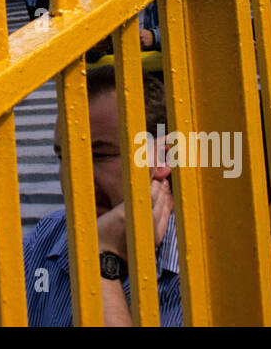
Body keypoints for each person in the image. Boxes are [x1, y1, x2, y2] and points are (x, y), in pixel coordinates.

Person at [23, 65, 180, 326]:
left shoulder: (204, 265)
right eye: (64, 157)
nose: (73, 177)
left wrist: (100, 259)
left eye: (100, 154)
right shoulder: (44, 237)